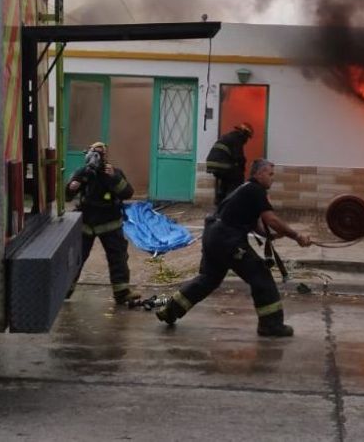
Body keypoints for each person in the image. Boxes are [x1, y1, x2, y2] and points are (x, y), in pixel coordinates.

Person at [155, 158, 311, 337]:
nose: (272, 179)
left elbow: (257, 227)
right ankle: (271, 325)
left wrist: (274, 235)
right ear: (259, 174)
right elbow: (271, 219)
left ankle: (171, 310)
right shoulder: (256, 190)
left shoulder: (244, 189)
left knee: (209, 278)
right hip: (228, 239)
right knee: (260, 275)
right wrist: (297, 236)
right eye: (270, 174)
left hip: (213, 235)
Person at [66, 141, 140, 304]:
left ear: (105, 157)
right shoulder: (84, 173)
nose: (96, 157)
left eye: (99, 153)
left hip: (109, 222)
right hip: (86, 223)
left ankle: (122, 293)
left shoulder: (114, 172)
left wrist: (114, 177)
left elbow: (127, 193)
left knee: (118, 257)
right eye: (93, 152)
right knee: (77, 257)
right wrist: (71, 187)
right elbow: (67, 196)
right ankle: (65, 291)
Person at [205, 122, 254, 205]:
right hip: (221, 164)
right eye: (247, 137)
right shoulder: (238, 138)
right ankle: (232, 201)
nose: (247, 140)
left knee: (226, 178)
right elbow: (238, 157)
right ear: (244, 133)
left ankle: (220, 199)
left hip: (211, 163)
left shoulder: (229, 136)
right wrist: (243, 168)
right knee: (237, 176)